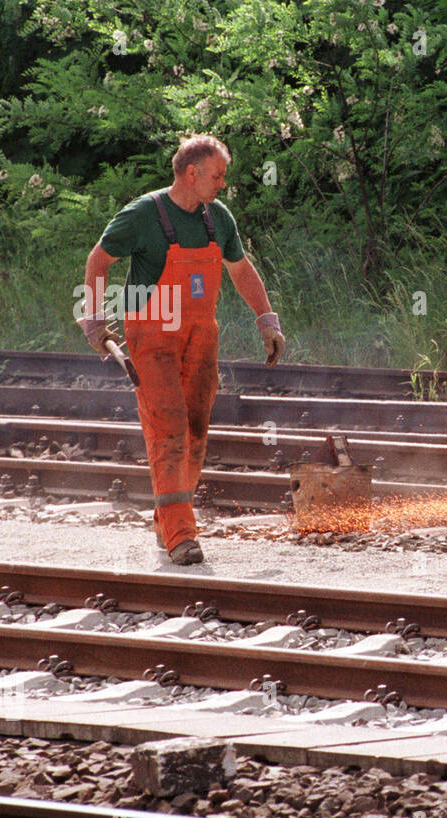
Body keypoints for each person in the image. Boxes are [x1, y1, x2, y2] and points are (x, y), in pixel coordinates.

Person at [77, 134, 285, 565]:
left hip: (200, 335)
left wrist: (267, 320)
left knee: (194, 432)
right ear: (192, 174)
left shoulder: (218, 218)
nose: (222, 184)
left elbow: (242, 271)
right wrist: (95, 319)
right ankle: (180, 535)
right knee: (168, 427)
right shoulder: (142, 215)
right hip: (152, 332)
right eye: (218, 176)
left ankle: (166, 519)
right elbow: (99, 260)